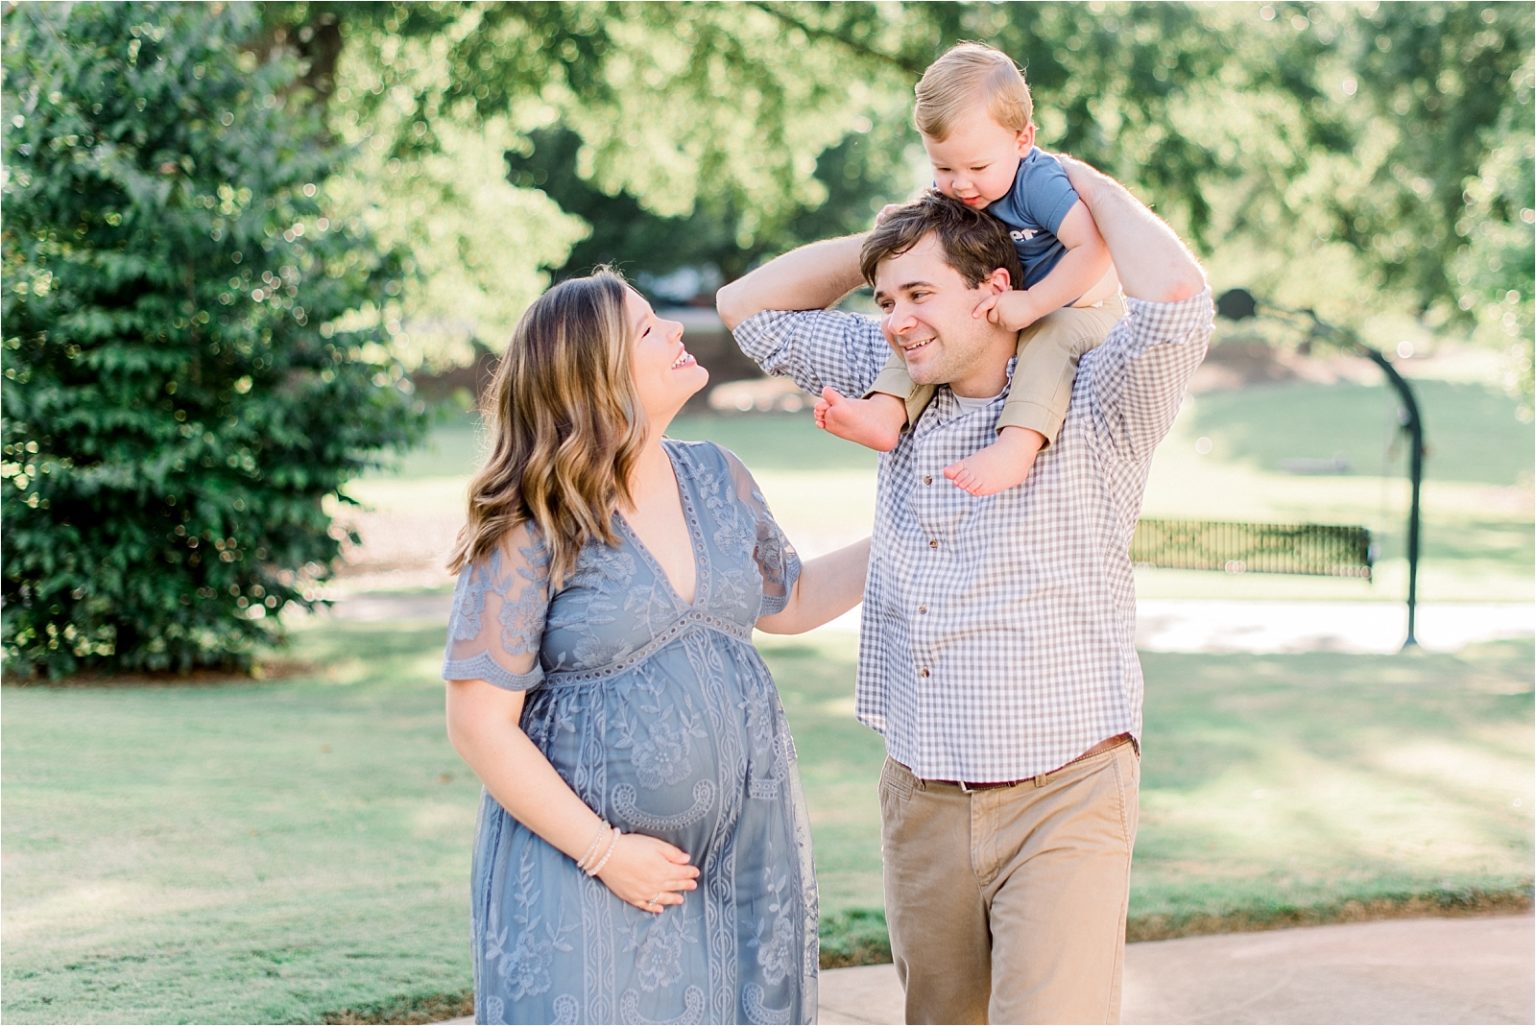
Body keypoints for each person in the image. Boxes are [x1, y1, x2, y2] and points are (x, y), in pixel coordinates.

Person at [717, 159, 1213, 1023]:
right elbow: (745, 307)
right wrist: (908, 235)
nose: (897, 318)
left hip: (1065, 794)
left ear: (994, 289)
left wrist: (1066, 187)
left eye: (919, 293)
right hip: (924, 798)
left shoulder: (1098, 392)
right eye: (885, 300)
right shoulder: (892, 372)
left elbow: (1176, 299)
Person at [441, 269, 870, 1025]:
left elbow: (792, 598)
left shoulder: (717, 476)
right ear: (593, 374)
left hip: (740, 864)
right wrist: (606, 852)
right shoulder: (533, 515)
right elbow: (479, 725)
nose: (674, 329)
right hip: (583, 870)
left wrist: (912, 529)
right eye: (646, 328)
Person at [816, 42, 1122, 497]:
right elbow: (936, 225)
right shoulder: (967, 185)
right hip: (1013, 298)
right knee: (922, 322)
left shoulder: (1037, 182)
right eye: (942, 167)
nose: (960, 184)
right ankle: (886, 410)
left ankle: (1017, 446)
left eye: (977, 166)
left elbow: (1095, 249)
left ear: (1022, 140)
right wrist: (902, 223)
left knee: (1049, 336)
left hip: (1080, 304)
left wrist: (1034, 303)